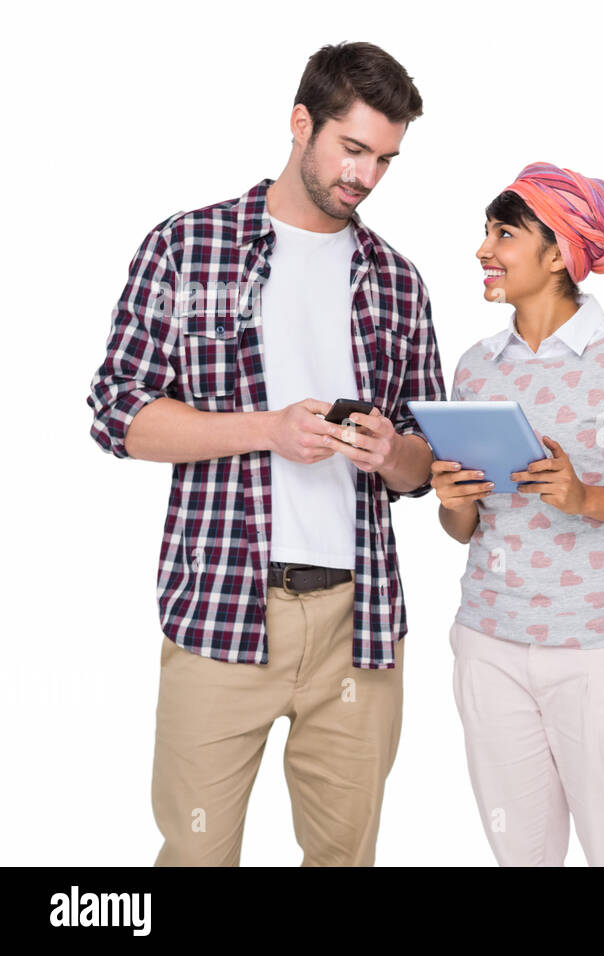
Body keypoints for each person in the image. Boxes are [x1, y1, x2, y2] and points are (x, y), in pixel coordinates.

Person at [86, 42, 442, 866]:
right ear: (299, 123)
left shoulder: (396, 280)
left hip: (361, 623)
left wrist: (393, 453)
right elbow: (119, 414)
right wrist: (266, 428)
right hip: (221, 610)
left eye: (385, 160)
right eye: (352, 149)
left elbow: (428, 467)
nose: (366, 177)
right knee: (197, 855)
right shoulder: (188, 247)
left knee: (344, 859)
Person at [434, 163, 604, 867]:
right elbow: (467, 526)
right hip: (489, 640)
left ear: (559, 254)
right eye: (486, 231)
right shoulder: (474, 367)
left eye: (505, 233)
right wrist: (452, 505)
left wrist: (585, 499)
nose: (485, 250)